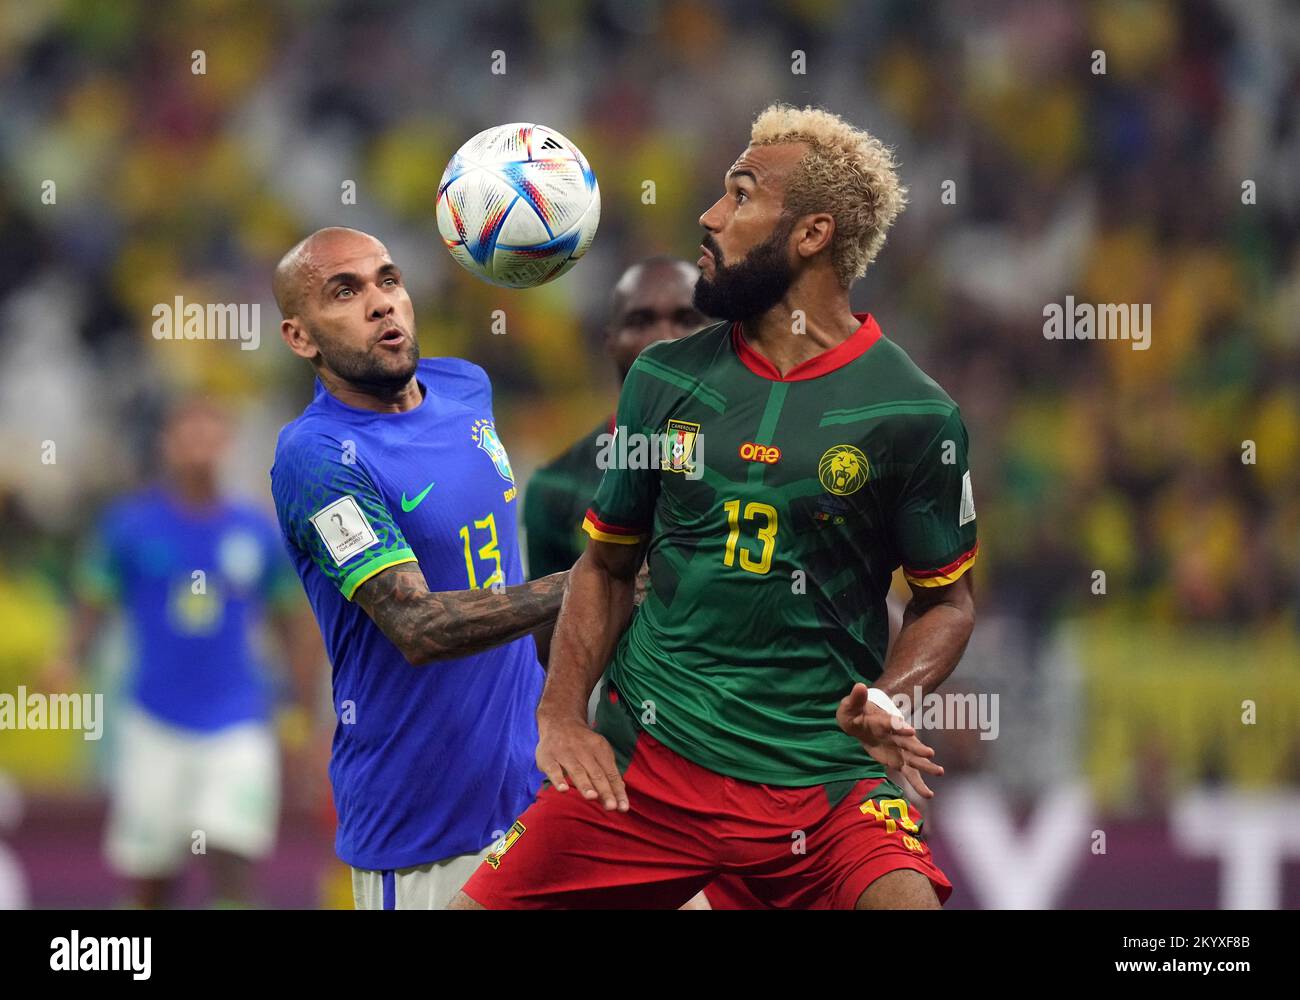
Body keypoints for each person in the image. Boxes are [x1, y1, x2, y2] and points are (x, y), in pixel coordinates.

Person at [452, 103, 977, 910]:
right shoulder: (663, 382)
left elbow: (946, 602)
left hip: (822, 777)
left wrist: (891, 694)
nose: (709, 215)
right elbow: (607, 566)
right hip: (650, 768)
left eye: (740, 196)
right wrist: (559, 716)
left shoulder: (915, 415)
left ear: (811, 234)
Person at [269, 227, 566, 909]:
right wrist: (582, 587)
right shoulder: (316, 458)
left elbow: (501, 578)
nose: (380, 304)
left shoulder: (467, 388)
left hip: (535, 796)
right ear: (301, 337)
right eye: (344, 292)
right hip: (425, 834)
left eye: (388, 280)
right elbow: (417, 627)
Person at [50, 399, 323, 908]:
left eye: (210, 434)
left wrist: (300, 712)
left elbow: (291, 624)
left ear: (227, 445)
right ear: (167, 445)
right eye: (187, 434)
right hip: (154, 720)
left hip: (237, 720)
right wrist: (68, 658)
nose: (199, 447)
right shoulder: (130, 527)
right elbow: (93, 603)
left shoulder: (255, 531)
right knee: (154, 875)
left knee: (232, 854)